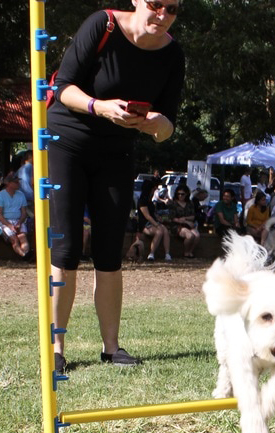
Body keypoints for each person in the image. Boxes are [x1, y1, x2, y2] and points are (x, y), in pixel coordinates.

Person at [46, 2, 185, 368]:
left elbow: (168, 124)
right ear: (137, 0)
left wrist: (155, 124)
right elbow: (62, 89)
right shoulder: (101, 25)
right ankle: (56, 351)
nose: (162, 15)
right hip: (68, 142)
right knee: (67, 248)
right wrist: (99, 107)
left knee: (110, 251)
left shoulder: (172, 54)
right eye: (156, 4)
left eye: (172, 9)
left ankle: (111, 348)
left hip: (117, 153)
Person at [136, 179, 171, 261]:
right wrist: (157, 224)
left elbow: (153, 214)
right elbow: (147, 216)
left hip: (153, 222)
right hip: (145, 224)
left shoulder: (149, 201)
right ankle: (151, 253)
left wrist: (158, 218)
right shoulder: (142, 201)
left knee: (165, 230)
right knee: (159, 231)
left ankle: (167, 253)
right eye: (153, 189)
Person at [167, 182, 199, 258]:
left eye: (182, 194)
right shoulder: (173, 203)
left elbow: (193, 216)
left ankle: (190, 252)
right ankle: (186, 252)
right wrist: (186, 221)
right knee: (190, 236)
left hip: (188, 224)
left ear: (186, 194)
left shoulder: (190, 203)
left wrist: (185, 219)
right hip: (176, 225)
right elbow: (172, 218)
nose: (180, 196)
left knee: (197, 235)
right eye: (178, 194)